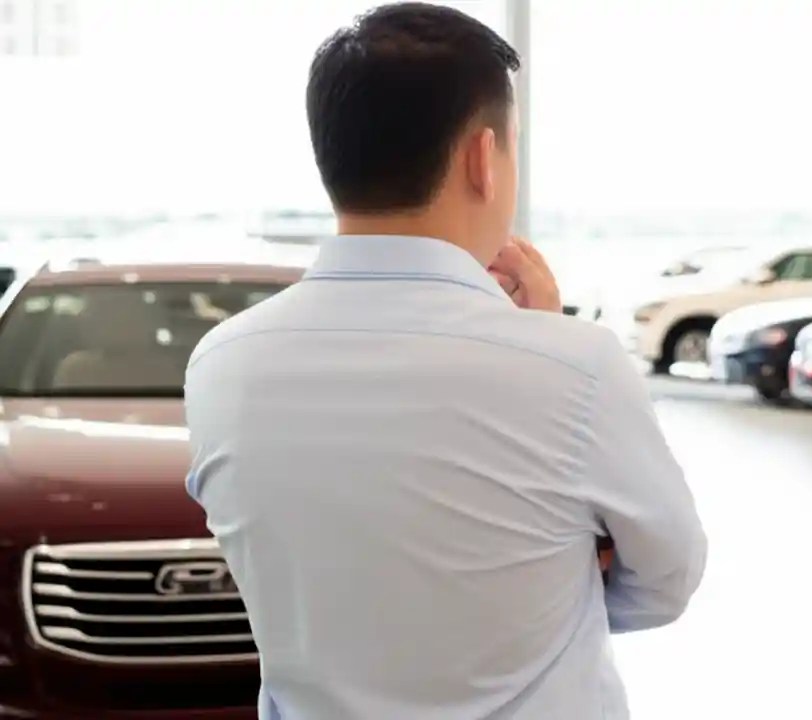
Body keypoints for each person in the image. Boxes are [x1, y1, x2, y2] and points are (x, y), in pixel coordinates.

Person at [183, 3, 707, 719]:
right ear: (481, 159)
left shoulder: (220, 363)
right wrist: (557, 585)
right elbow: (666, 581)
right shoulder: (576, 368)